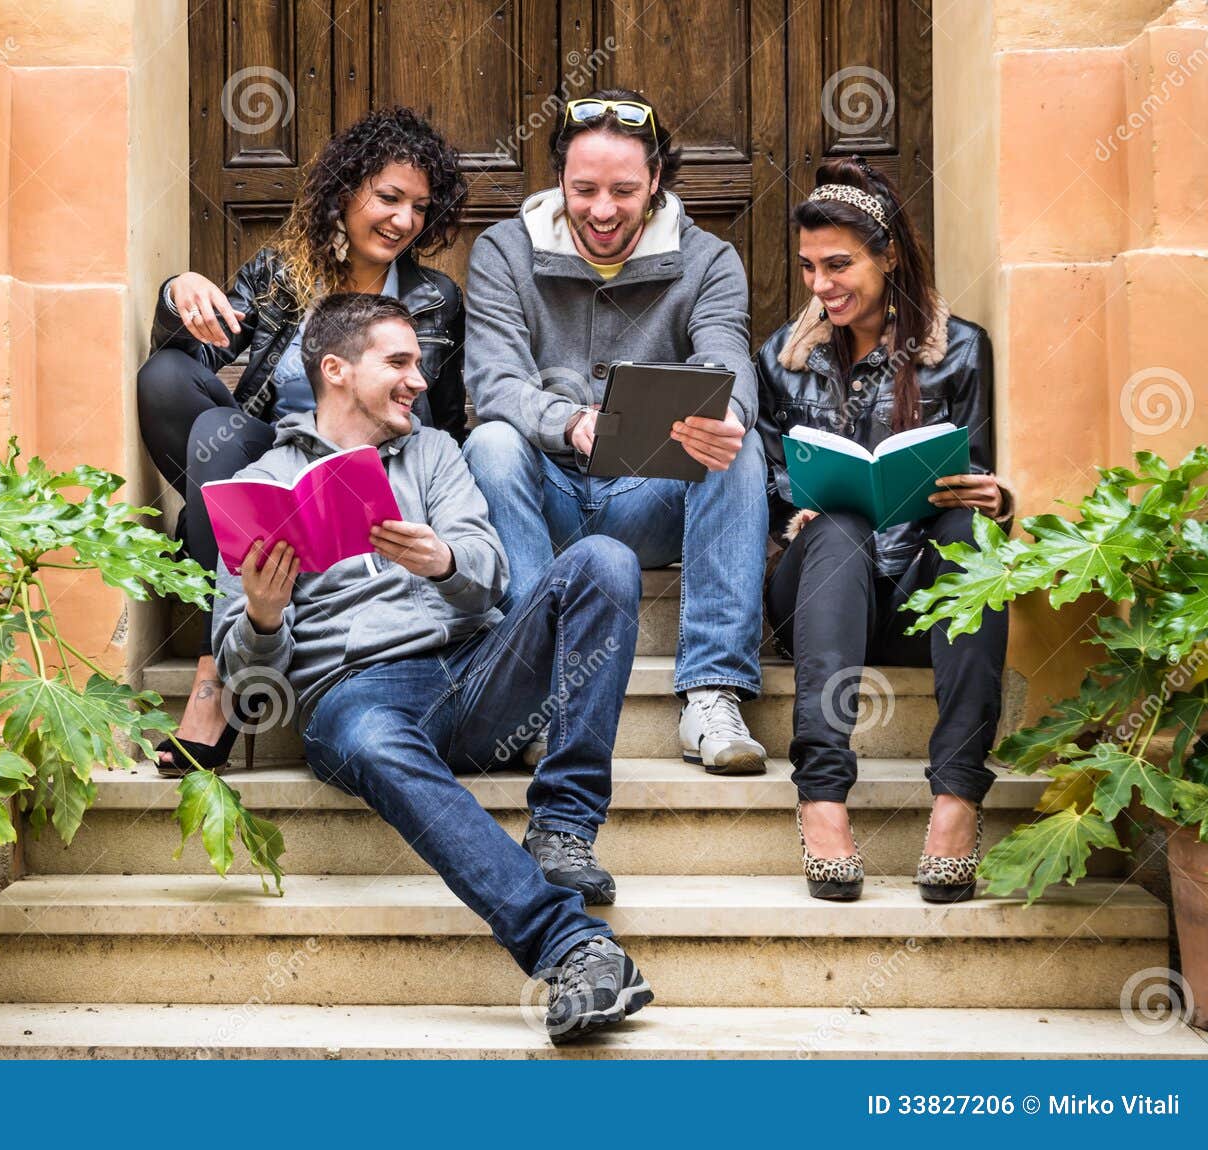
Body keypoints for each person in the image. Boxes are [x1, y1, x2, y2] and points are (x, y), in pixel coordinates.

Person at [213, 292, 653, 1042]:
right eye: (400, 362)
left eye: (419, 362)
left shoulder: (436, 452)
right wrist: (260, 614)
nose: (420, 379)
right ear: (337, 371)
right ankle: (570, 944)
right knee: (374, 739)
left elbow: (490, 573)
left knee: (603, 561)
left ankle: (562, 826)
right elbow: (247, 683)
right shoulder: (262, 484)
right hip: (356, 701)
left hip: (471, 670)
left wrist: (445, 561)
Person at [137, 106, 469, 775]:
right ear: (346, 192)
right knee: (174, 388)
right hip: (271, 459)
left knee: (214, 465)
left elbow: (448, 421)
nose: (404, 220)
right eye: (388, 198)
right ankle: (221, 633)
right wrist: (180, 294)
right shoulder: (281, 272)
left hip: (371, 477)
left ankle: (218, 683)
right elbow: (200, 356)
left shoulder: (434, 298)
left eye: (419, 207)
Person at [460, 88, 770, 776]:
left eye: (624, 190)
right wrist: (568, 422)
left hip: (645, 503)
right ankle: (529, 690)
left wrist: (730, 415)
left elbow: (726, 354)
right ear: (559, 179)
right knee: (491, 440)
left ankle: (711, 694)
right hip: (539, 499)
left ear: (656, 180)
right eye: (584, 188)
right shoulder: (503, 252)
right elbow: (492, 380)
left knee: (734, 447)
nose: (602, 210)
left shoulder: (709, 259)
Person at [754, 157, 1013, 903]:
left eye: (839, 265)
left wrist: (994, 498)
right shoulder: (782, 358)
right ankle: (823, 798)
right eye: (807, 267)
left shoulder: (959, 349)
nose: (820, 284)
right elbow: (768, 482)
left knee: (971, 534)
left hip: (919, 604)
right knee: (837, 525)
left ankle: (957, 799)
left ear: (888, 253)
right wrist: (790, 510)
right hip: (820, 600)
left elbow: (980, 467)